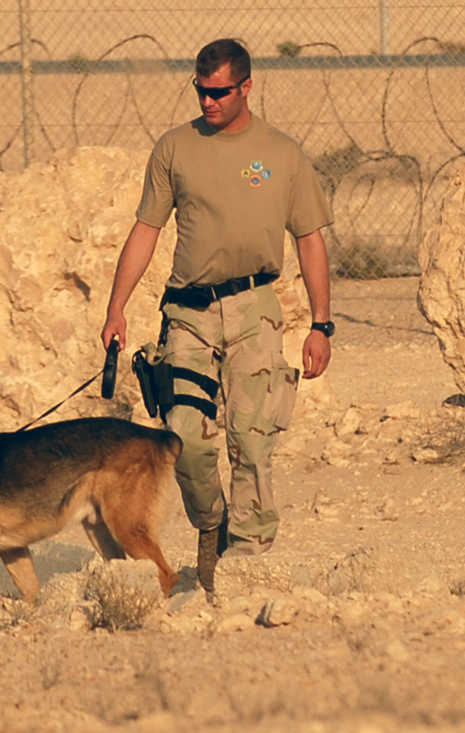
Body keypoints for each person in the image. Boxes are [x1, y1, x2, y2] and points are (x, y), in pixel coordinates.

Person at [100, 38, 334, 596]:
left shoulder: (282, 154)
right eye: (201, 91)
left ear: (246, 87)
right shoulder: (175, 149)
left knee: (252, 442)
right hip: (188, 311)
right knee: (183, 436)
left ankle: (247, 560)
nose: (208, 101)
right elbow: (146, 230)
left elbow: (310, 239)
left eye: (219, 92)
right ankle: (212, 524)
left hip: (256, 308)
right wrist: (117, 306)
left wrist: (321, 324)